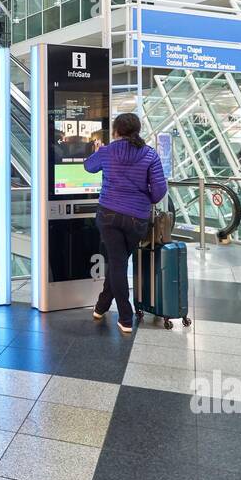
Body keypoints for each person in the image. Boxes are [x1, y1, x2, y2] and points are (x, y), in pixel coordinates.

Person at [83, 113, 168, 333]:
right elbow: (159, 191)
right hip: (137, 219)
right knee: (118, 263)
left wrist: (96, 151)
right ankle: (101, 306)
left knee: (117, 264)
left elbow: (89, 167)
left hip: (109, 214)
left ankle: (125, 318)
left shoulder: (107, 151)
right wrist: (140, 200)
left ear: (116, 130)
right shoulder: (150, 155)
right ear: (137, 130)